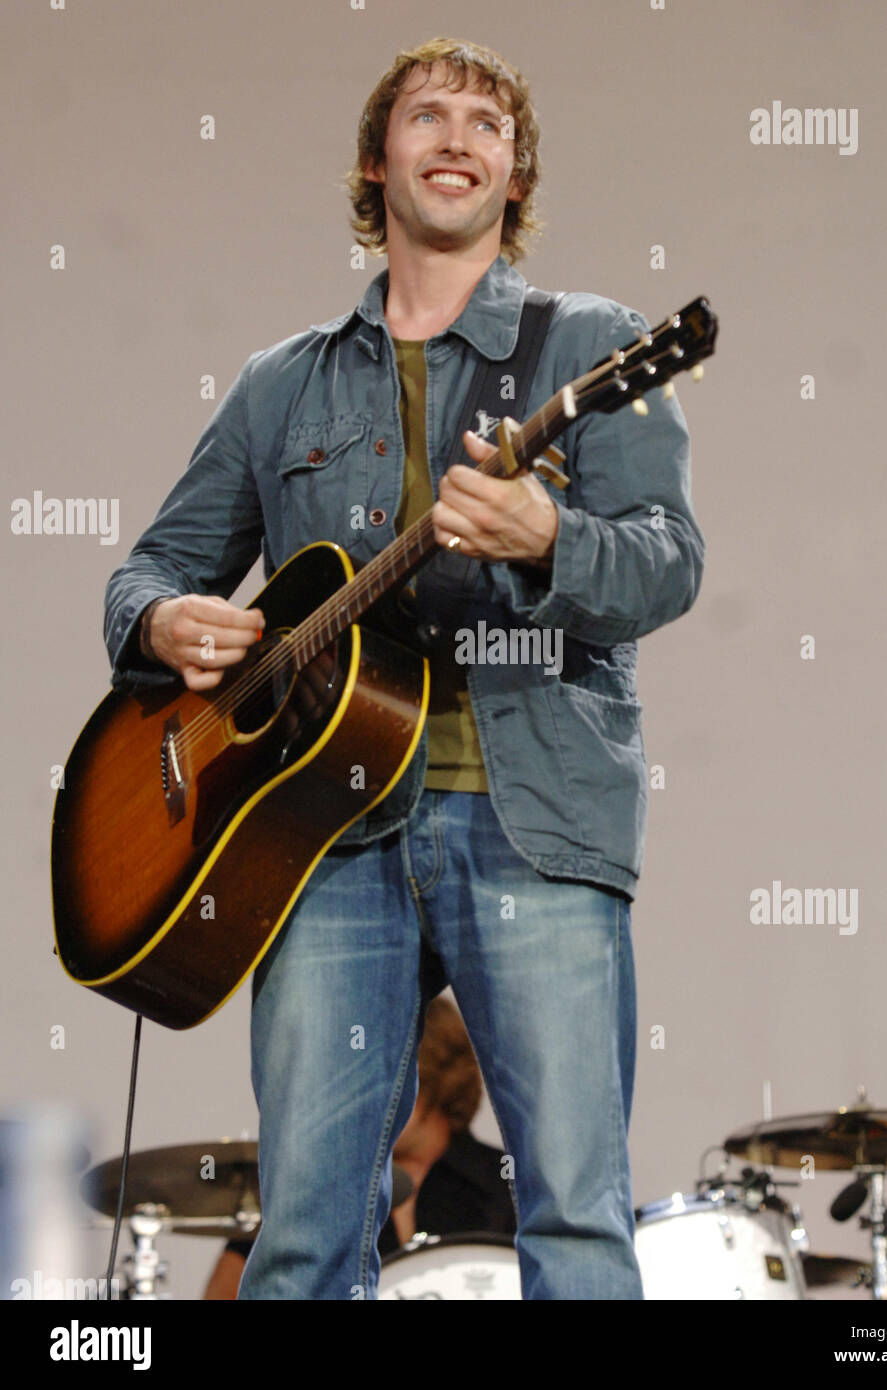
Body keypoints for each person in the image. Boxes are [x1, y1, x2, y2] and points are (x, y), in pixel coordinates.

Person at [103, 36, 705, 1300]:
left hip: (532, 817)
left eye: (488, 124)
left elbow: (667, 564)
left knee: (578, 1224)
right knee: (305, 1237)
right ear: (377, 163)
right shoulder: (283, 384)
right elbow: (149, 571)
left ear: (512, 173)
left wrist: (550, 537)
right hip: (323, 835)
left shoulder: (593, 344)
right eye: (427, 115)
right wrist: (162, 626)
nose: (457, 136)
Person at [203, 997, 515, 1299]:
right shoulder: (312, 1182)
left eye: (382, 1085)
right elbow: (228, 1292)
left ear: (435, 1081)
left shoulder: (508, 1183)